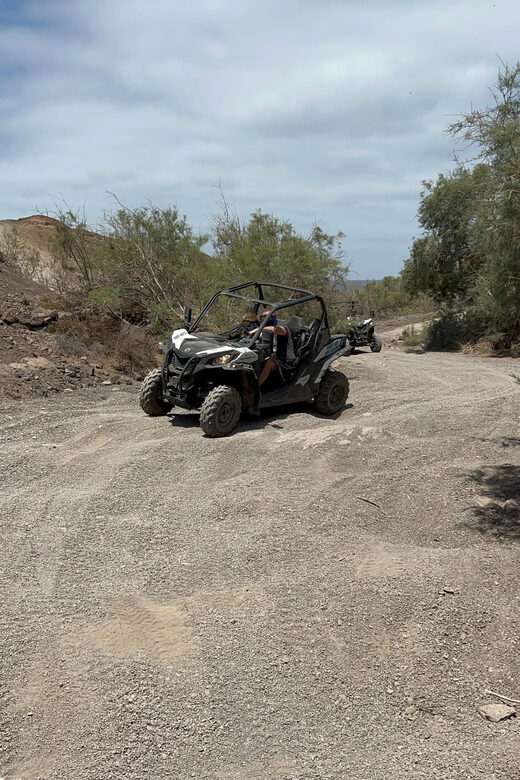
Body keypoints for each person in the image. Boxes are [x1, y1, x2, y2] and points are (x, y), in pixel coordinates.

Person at [252, 309, 294, 386]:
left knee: (269, 362)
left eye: (269, 317)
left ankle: (255, 388)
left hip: (284, 364)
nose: (266, 320)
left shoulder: (283, 329)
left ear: (274, 318)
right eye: (263, 318)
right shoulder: (262, 332)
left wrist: (258, 330)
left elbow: (277, 330)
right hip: (269, 360)